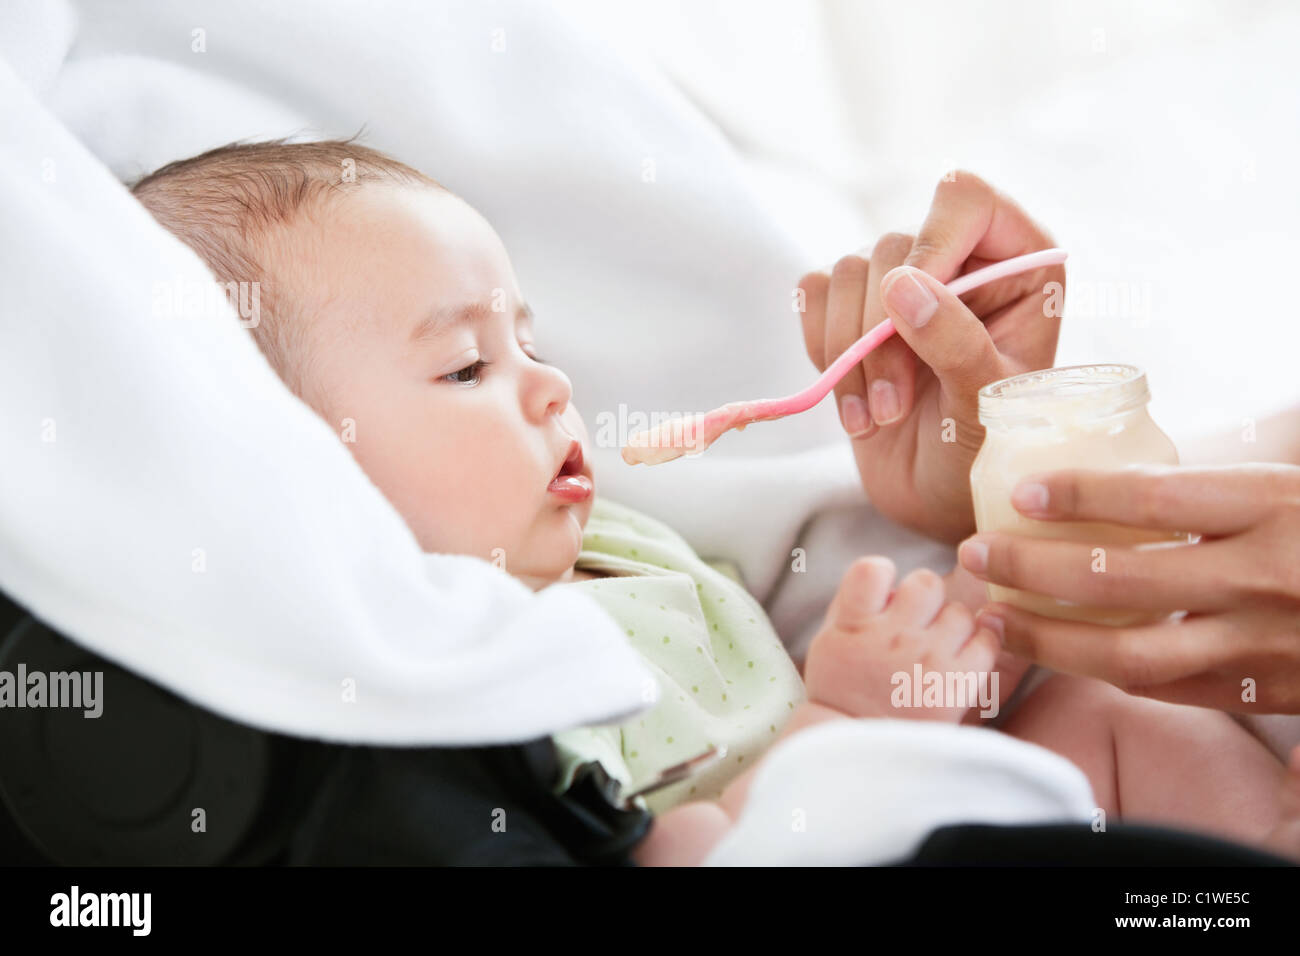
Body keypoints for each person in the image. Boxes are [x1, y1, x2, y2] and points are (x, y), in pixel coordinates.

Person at [130, 145, 1300, 865]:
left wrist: (945, 647)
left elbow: (790, 642)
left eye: (530, 342)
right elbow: (678, 847)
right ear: (291, 466)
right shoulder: (467, 671)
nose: (552, 386)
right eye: (466, 370)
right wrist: (849, 719)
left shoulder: (623, 546)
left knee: (1112, 710)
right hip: (819, 826)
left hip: (914, 771)